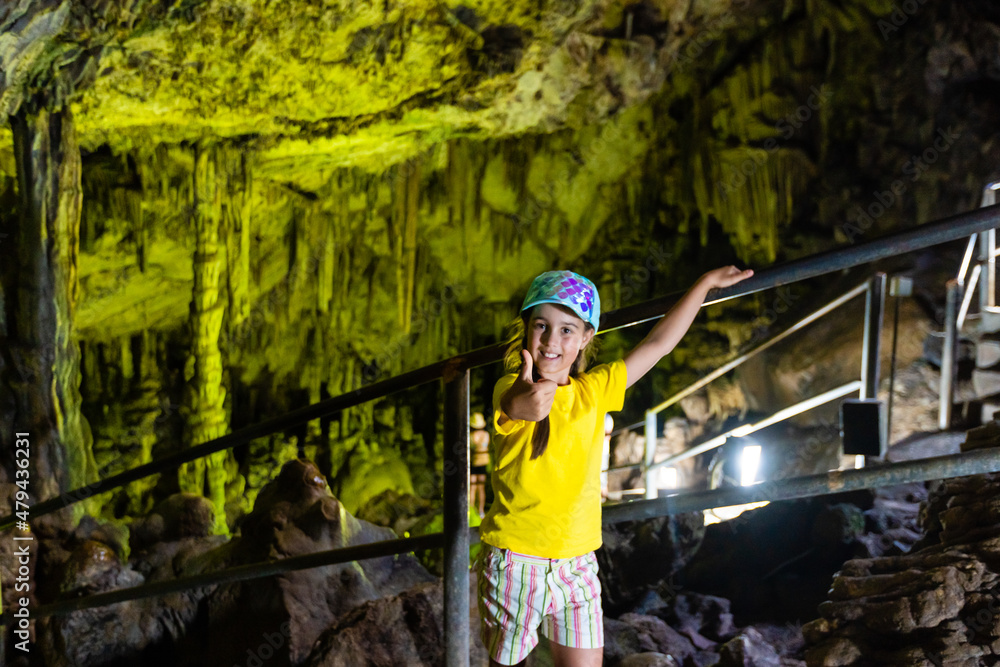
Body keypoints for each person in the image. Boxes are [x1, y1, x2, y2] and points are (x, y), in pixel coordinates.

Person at [475, 266, 753, 667]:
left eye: (567, 330)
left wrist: (704, 284)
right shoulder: (510, 386)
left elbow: (659, 343)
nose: (551, 341)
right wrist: (525, 402)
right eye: (541, 326)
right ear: (526, 329)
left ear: (586, 337)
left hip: (578, 564)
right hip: (516, 563)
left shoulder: (595, 390)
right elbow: (515, 403)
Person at [470, 411, 491, 518]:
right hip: (482, 462)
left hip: (474, 462)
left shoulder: (471, 436)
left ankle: (473, 510)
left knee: (473, 487)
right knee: (479, 487)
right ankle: (479, 511)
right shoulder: (486, 435)